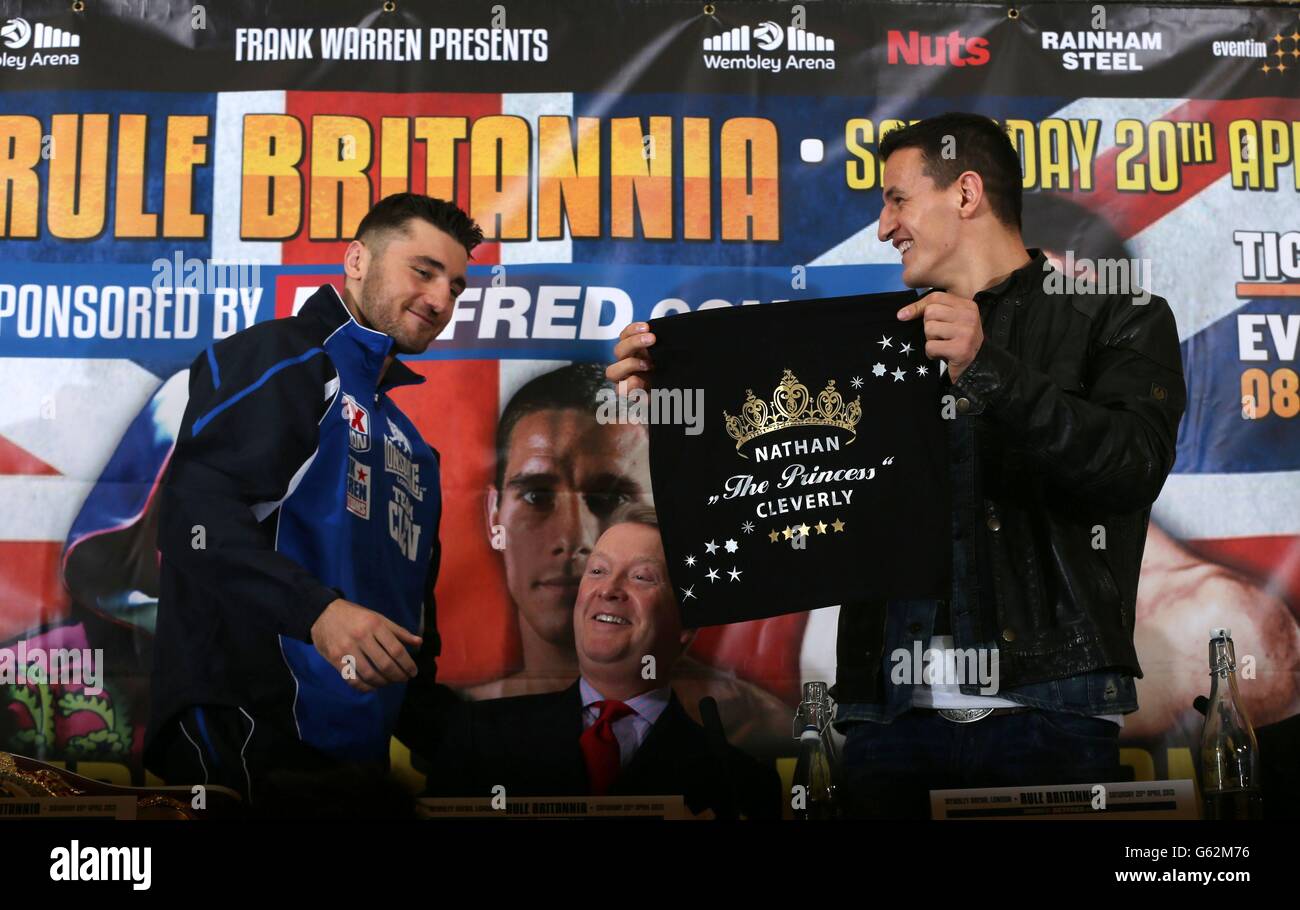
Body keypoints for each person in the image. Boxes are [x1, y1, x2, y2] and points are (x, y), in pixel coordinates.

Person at [607, 112, 1188, 817]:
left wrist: (989, 370)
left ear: (966, 193)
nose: (884, 227)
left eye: (897, 199)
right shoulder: (875, 343)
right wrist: (676, 396)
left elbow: (1131, 466)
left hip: (1051, 715)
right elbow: (771, 450)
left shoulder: (1121, 316)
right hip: (889, 725)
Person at [144, 193, 481, 808]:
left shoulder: (412, 447)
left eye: (457, 287)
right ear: (356, 259)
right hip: (244, 730)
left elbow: (408, 645)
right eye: (423, 271)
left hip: (356, 764)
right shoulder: (281, 358)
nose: (440, 301)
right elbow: (193, 521)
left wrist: (514, 746)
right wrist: (317, 612)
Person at [464, 362, 794, 754]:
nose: (576, 539)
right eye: (537, 496)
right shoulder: (468, 724)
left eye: (611, 498)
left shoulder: (757, 729)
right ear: (494, 514)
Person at [423, 510, 782, 819]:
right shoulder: (478, 737)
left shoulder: (740, 782)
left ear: (686, 626)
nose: (609, 589)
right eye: (597, 570)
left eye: (642, 577)